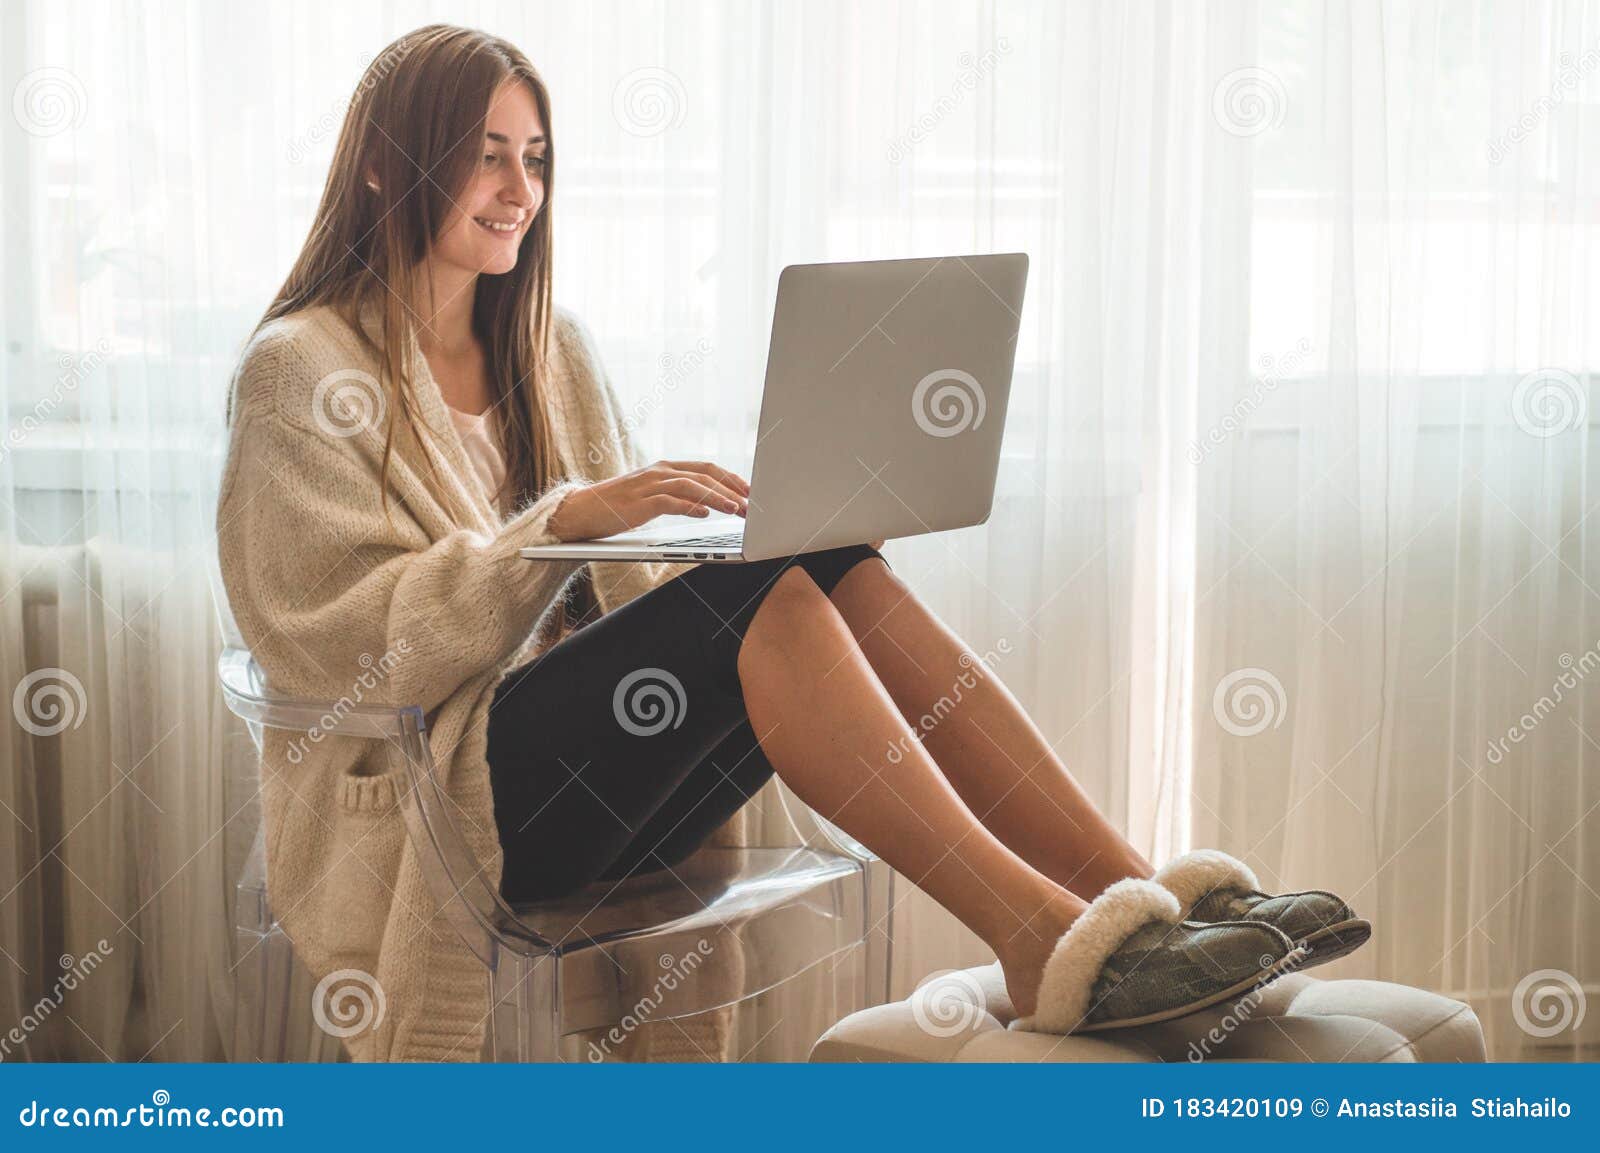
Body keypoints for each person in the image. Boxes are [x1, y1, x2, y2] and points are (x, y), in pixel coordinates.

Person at [217, 23, 1366, 1054]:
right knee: (765, 595)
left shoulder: (550, 349)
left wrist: (732, 539)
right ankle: (1044, 937)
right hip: (451, 798)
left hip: (600, 764)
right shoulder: (298, 371)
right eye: (483, 153)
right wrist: (553, 530)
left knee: (823, 560)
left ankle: (1144, 901)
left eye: (535, 157)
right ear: (382, 164)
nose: (518, 187)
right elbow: (333, 648)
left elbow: (630, 599)